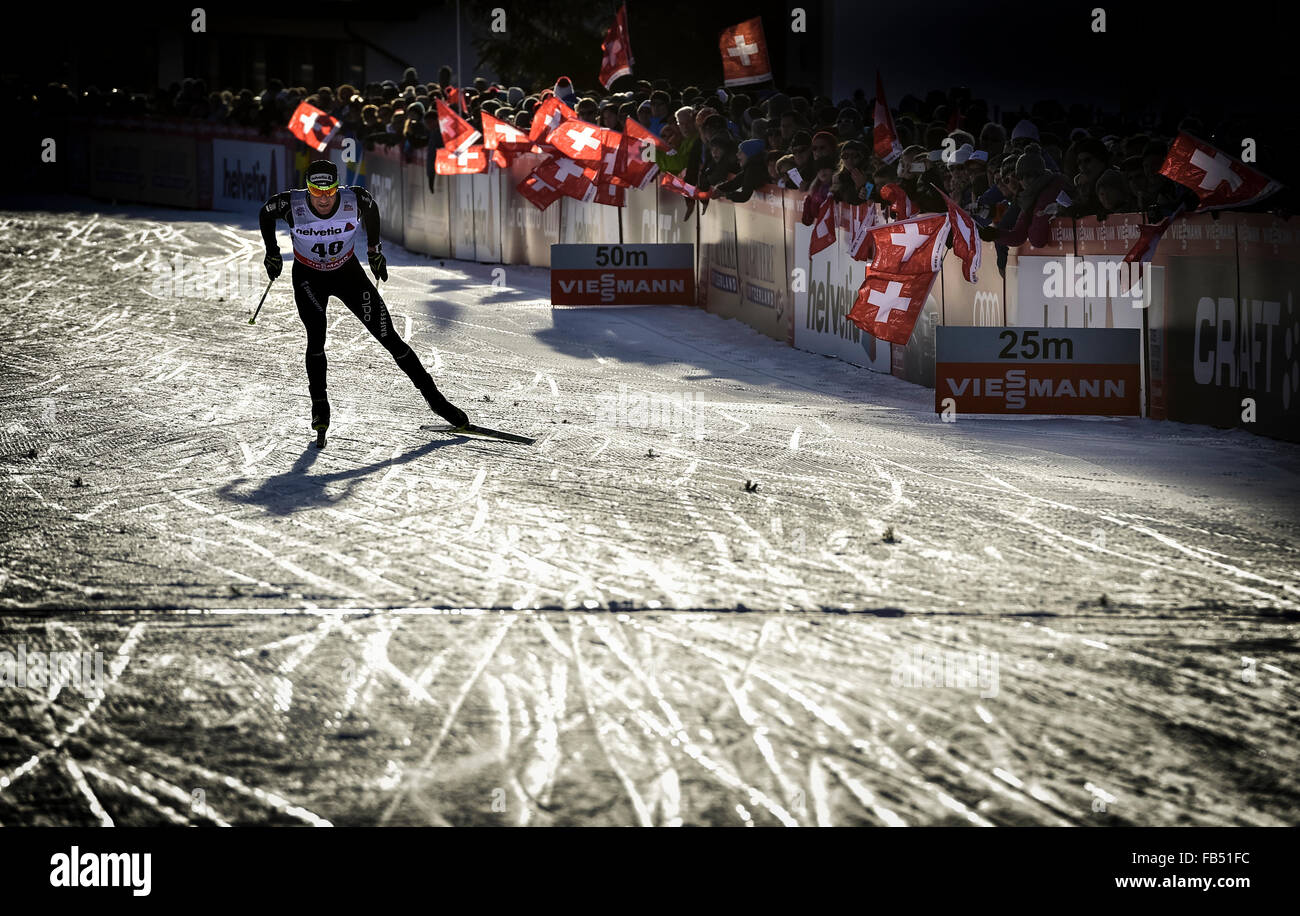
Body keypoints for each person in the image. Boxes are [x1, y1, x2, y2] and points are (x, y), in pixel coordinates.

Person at [259, 159, 468, 444]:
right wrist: (271, 251)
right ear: (306, 188)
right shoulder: (289, 204)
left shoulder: (353, 198)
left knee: (389, 337)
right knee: (316, 337)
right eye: (315, 191)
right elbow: (265, 213)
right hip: (309, 278)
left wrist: (374, 250)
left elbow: (371, 209)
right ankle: (320, 408)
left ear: (337, 188)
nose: (323, 198)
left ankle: (437, 402)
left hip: (347, 275)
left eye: (329, 191)